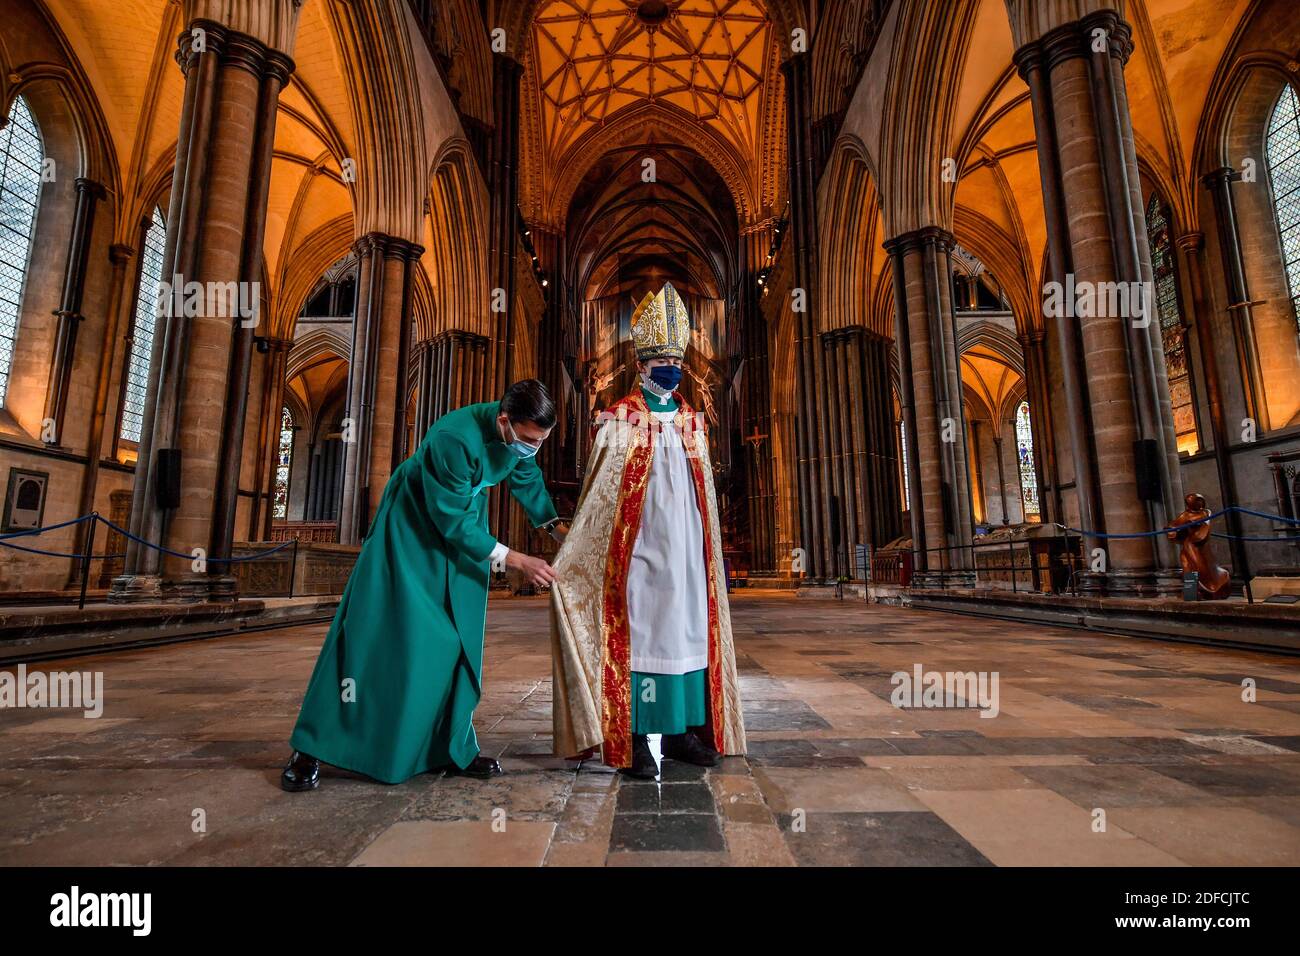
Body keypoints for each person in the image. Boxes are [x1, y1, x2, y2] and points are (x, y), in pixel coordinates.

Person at [281, 379, 567, 790]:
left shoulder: (519, 439)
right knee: (373, 633)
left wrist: (557, 531)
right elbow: (449, 518)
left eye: (539, 441)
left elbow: (526, 478)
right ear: (504, 420)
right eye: (526, 439)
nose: (531, 448)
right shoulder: (455, 437)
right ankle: (312, 747)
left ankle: (446, 748)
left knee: (453, 640)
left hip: (463, 528)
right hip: (414, 529)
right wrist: (516, 560)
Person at [549, 282, 746, 779]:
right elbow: (599, 497)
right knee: (643, 641)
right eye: (662, 363)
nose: (672, 371)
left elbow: (705, 495)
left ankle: (680, 734)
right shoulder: (617, 419)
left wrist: (709, 553)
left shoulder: (692, 421)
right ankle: (637, 737)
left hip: (688, 555)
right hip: (637, 555)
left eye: (677, 364)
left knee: (689, 637)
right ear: (641, 366)